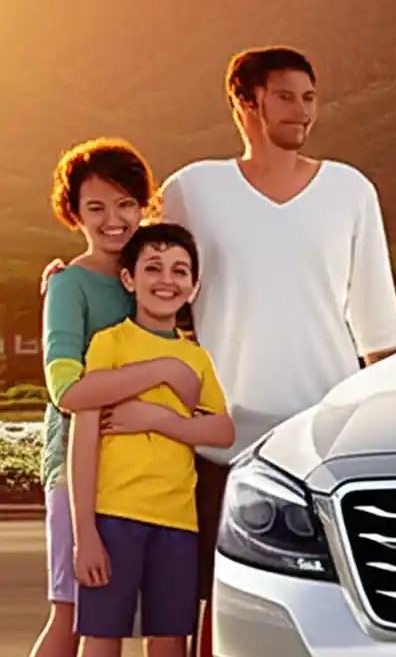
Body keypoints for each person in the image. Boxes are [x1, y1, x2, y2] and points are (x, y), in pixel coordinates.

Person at [159, 46, 396, 657]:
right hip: (216, 440)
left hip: (321, 439)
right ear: (245, 102)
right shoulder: (192, 189)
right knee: (209, 607)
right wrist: (71, 279)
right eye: (286, 97)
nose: (303, 111)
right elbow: (143, 278)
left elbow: (377, 324)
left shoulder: (350, 190)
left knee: (328, 612)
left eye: (310, 97)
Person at [30, 138, 200, 657]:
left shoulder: (150, 272)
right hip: (78, 466)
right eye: (95, 208)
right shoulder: (68, 285)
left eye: (126, 203)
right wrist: (159, 371)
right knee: (73, 613)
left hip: (145, 475)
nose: (113, 219)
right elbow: (65, 389)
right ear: (73, 213)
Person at [69, 222, 235, 657]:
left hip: (178, 523)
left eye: (180, 271)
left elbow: (221, 430)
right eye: (153, 268)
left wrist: (159, 419)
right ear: (129, 278)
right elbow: (83, 441)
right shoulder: (109, 344)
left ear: (194, 287)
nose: (167, 280)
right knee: (103, 635)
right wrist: (85, 533)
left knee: (170, 638)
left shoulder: (196, 358)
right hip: (112, 517)